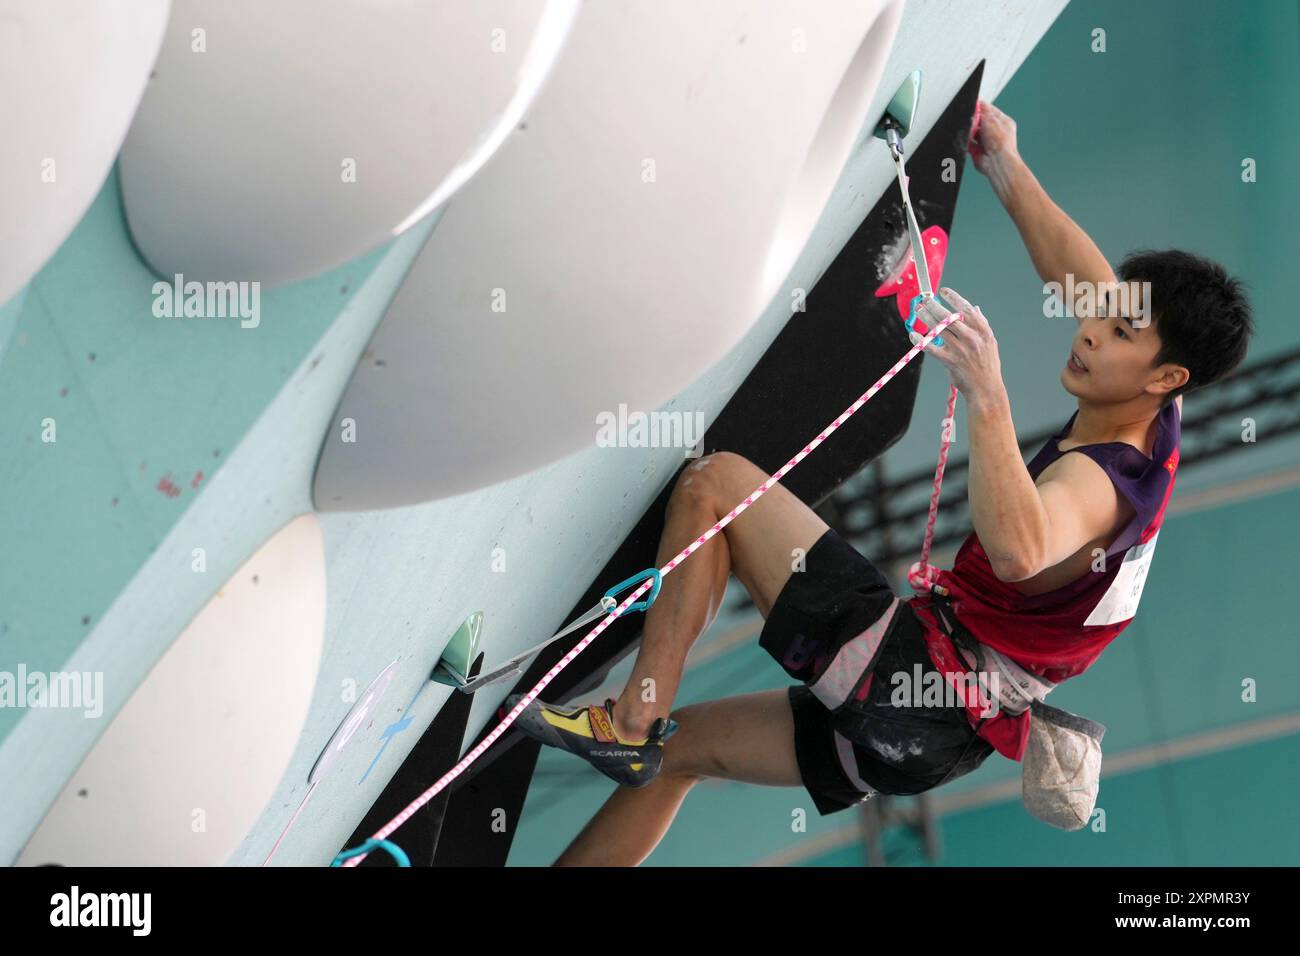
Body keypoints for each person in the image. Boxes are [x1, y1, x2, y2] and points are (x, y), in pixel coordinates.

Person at [508, 99, 1254, 866]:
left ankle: (630, 721)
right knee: (685, 752)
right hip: (928, 736)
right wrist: (1002, 159)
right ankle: (645, 738)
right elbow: (1084, 277)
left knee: (716, 486)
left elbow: (1022, 550)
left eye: (1120, 333)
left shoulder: (1105, 486)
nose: (1091, 329)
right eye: (1105, 316)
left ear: (1167, 375)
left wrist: (986, 390)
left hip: (913, 682)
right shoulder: (1154, 406)